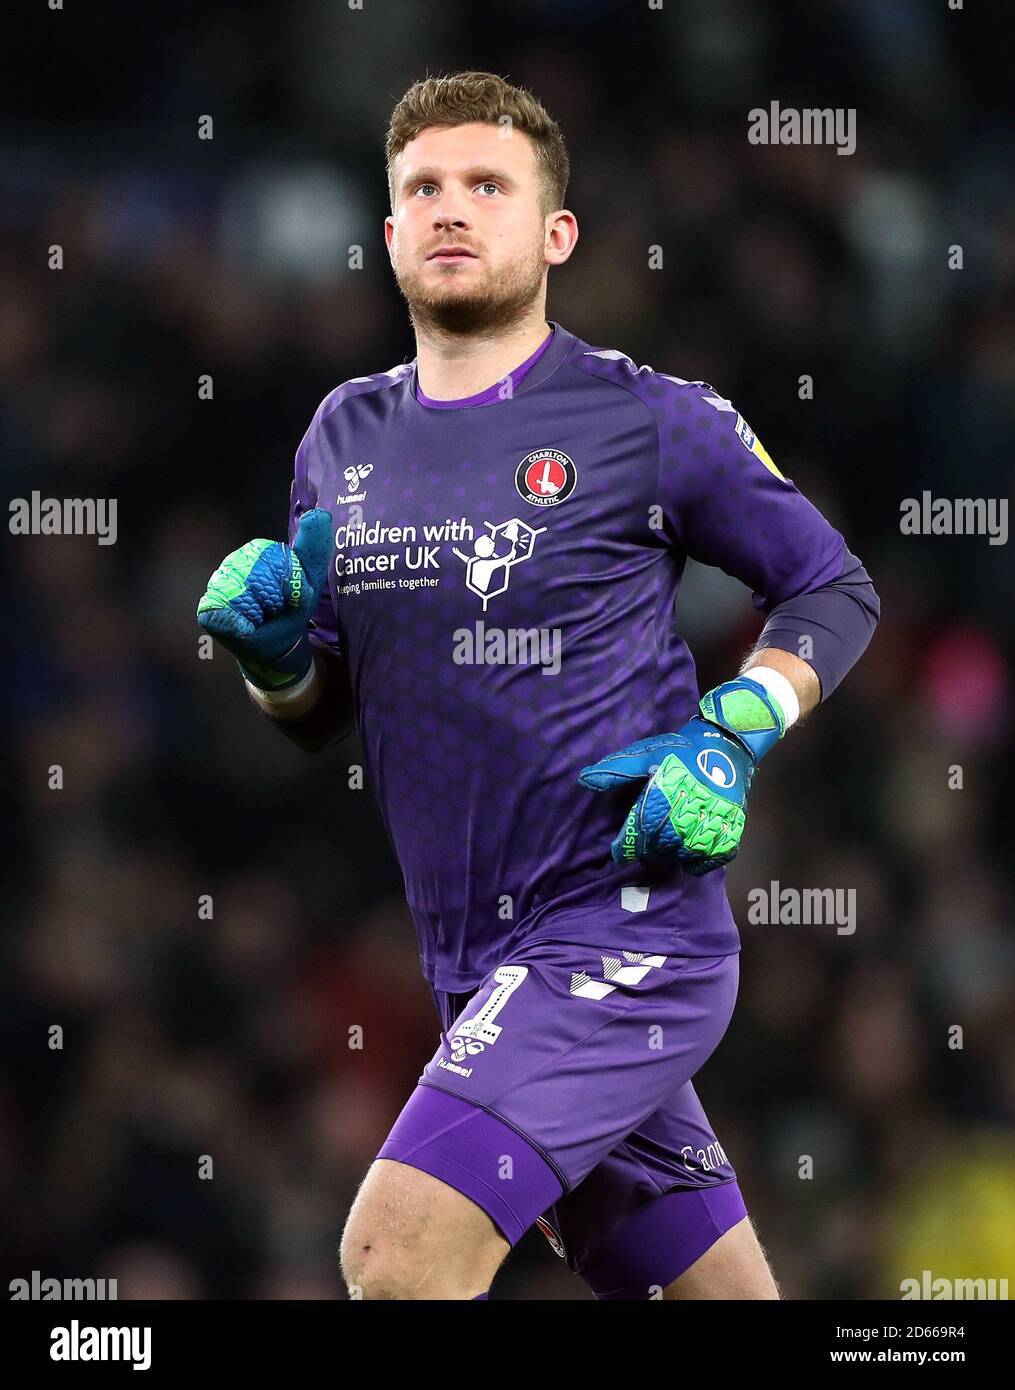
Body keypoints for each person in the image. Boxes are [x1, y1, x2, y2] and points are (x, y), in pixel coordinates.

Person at [197, 71, 879, 1300]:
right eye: (424, 189)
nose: (453, 209)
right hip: (474, 966)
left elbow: (833, 588)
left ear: (554, 233)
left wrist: (734, 730)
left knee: (394, 1252)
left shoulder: (649, 421)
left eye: (488, 186)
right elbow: (322, 718)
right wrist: (277, 663)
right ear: (391, 233)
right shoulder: (337, 441)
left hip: (623, 930)